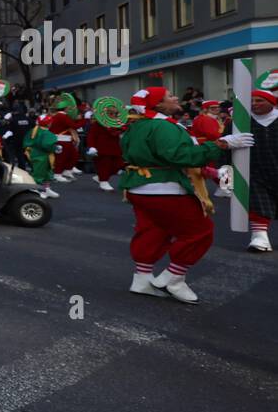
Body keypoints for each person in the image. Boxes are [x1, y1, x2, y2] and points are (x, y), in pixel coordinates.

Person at [119, 87, 252, 302]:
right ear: (159, 105)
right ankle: (174, 277)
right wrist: (221, 144)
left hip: (138, 187)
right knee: (199, 231)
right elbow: (179, 155)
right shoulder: (162, 126)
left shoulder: (139, 125)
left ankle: (142, 278)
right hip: (164, 188)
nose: (175, 97)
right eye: (170, 95)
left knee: (153, 230)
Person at [244, 71, 278, 252]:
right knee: (258, 204)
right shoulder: (240, 122)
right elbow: (225, 149)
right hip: (255, 172)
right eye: (252, 101)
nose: (254, 104)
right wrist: (225, 179)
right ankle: (259, 237)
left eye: (259, 101)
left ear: (271, 103)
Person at [44, 93, 81, 181]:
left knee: (72, 155)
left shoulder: (58, 116)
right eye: (68, 107)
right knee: (62, 157)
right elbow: (74, 126)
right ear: (65, 108)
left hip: (63, 139)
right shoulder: (62, 116)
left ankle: (66, 171)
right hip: (62, 140)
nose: (69, 109)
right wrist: (82, 120)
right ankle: (58, 174)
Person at [23, 114, 62, 198]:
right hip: (43, 156)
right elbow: (47, 145)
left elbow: (26, 142)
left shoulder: (33, 130)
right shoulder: (47, 133)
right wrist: (55, 147)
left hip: (34, 154)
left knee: (45, 173)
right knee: (39, 174)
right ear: (48, 123)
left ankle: (46, 189)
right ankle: (35, 191)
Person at [86, 114, 125, 192]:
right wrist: (92, 146)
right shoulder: (99, 122)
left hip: (115, 147)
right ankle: (103, 181)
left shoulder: (118, 122)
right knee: (104, 165)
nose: (114, 112)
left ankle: (100, 177)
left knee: (118, 165)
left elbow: (118, 131)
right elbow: (91, 135)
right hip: (102, 147)